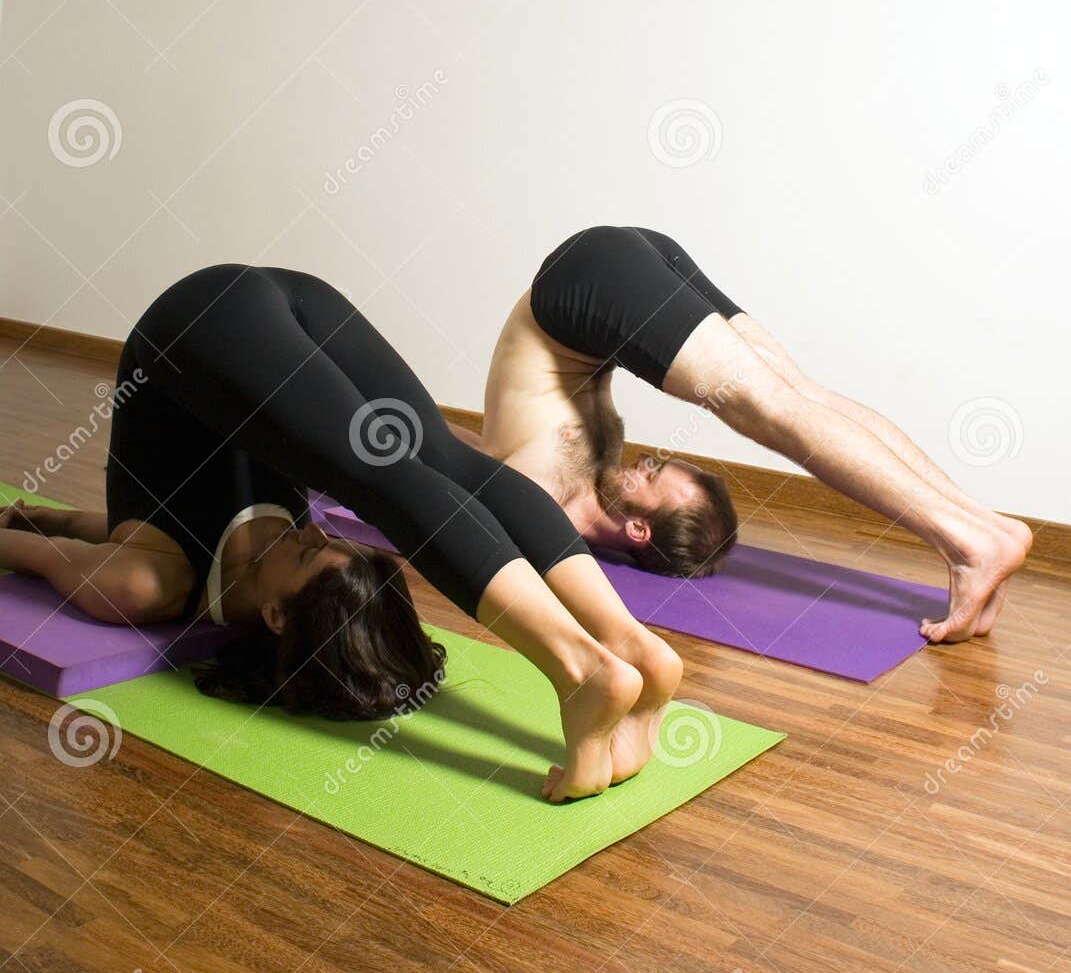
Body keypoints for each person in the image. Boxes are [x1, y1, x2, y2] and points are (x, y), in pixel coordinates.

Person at [0, 263, 682, 801]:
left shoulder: (144, 584)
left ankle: (587, 665)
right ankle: (618, 646)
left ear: (275, 614)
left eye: (311, 555)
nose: (315, 537)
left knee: (390, 470)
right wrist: (55, 518)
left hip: (199, 324)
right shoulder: (259, 556)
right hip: (286, 311)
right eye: (329, 546)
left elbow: (63, 554)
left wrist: (38, 525)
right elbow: (125, 527)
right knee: (437, 461)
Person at [464, 226, 1032, 644]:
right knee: (792, 397)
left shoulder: (535, 488)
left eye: (652, 473)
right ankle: (981, 530)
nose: (643, 461)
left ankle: (973, 536)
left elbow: (451, 464)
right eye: (655, 471)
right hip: (610, 272)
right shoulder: (562, 504)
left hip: (585, 281)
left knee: (783, 402)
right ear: (639, 529)